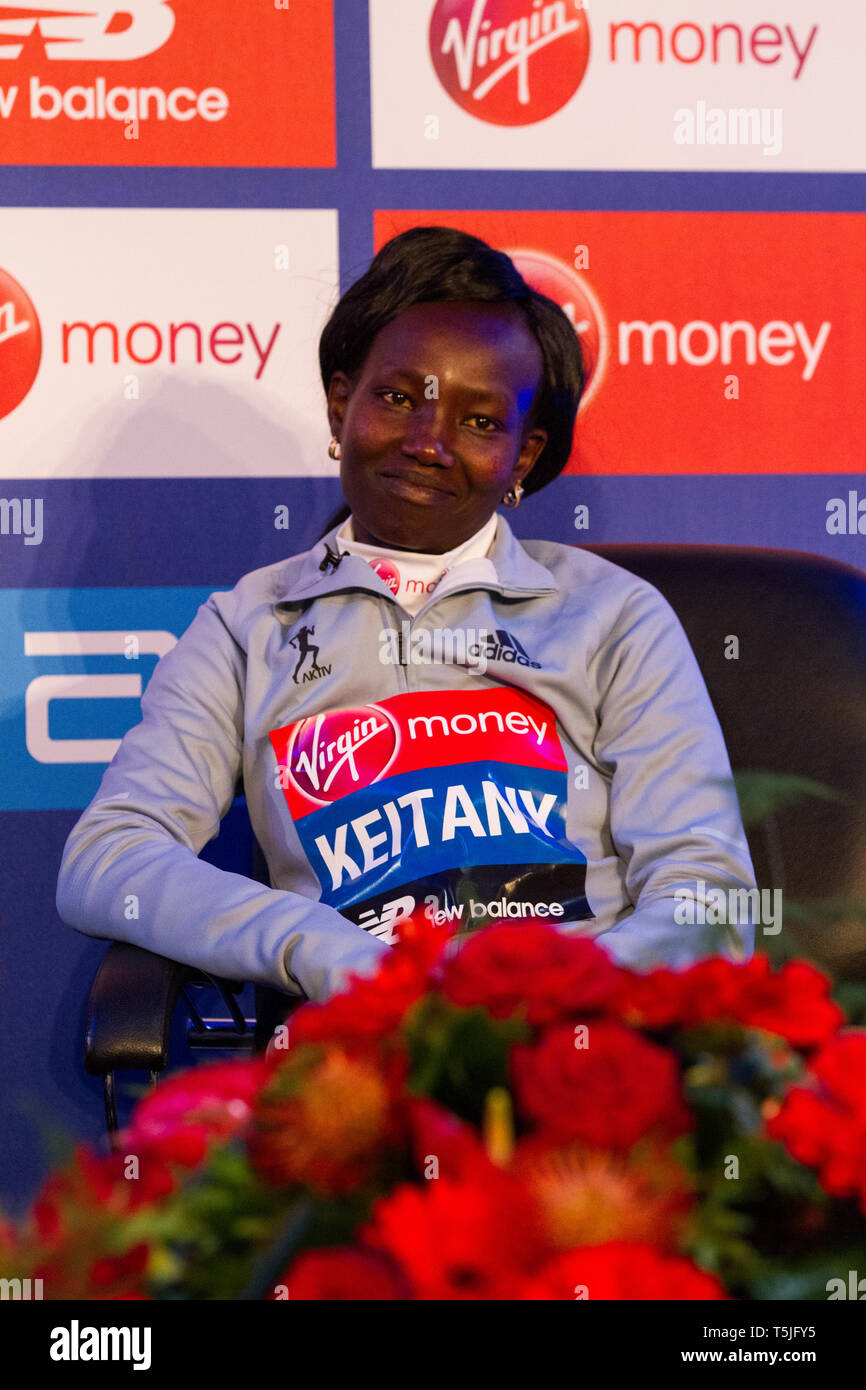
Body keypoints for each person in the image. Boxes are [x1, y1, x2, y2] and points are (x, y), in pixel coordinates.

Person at [56, 226, 757, 1004]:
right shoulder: (247, 626)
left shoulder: (614, 616)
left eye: (482, 422)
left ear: (523, 457)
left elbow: (708, 898)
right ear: (339, 405)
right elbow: (109, 857)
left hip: (574, 1048)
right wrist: (313, 945)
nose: (429, 443)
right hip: (359, 1049)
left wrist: (570, 1003)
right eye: (396, 398)